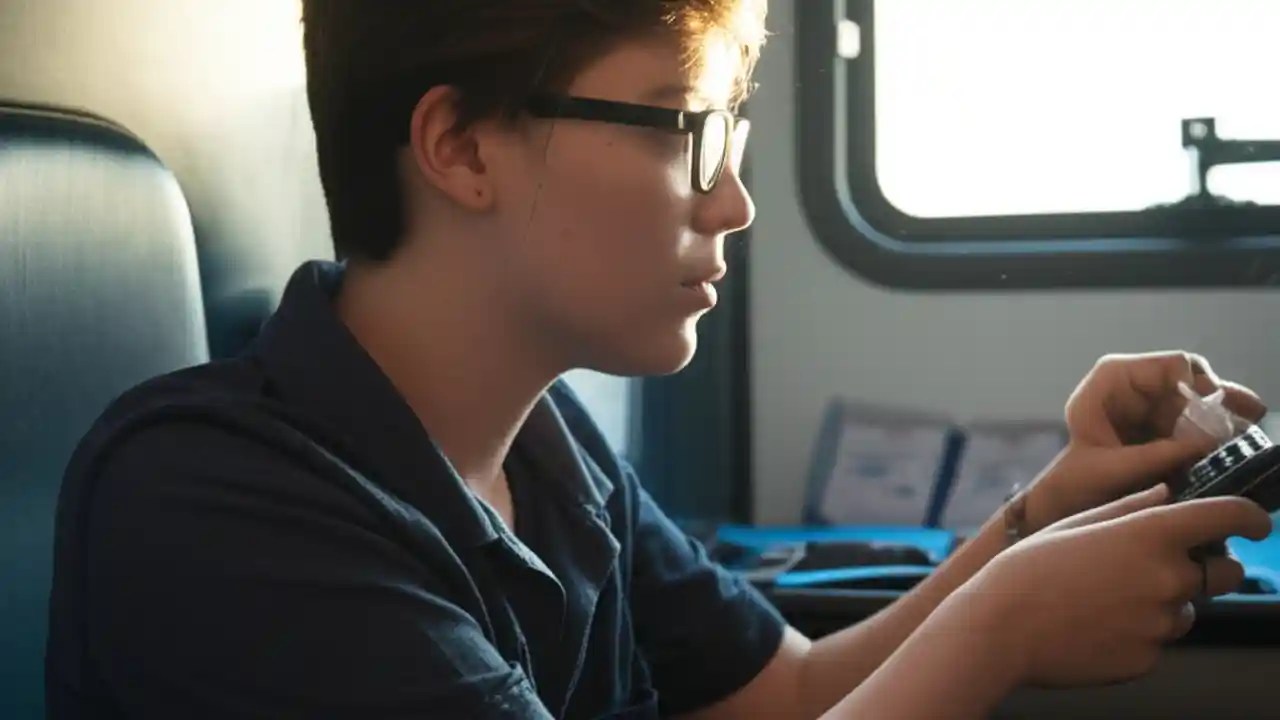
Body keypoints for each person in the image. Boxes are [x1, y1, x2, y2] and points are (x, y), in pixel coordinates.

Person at [44, 1, 1273, 718]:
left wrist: (1043, 515)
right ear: (461, 147)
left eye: (732, 136)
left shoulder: (542, 441)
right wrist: (999, 634)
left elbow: (786, 695)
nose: (734, 201)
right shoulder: (216, 511)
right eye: (688, 130)